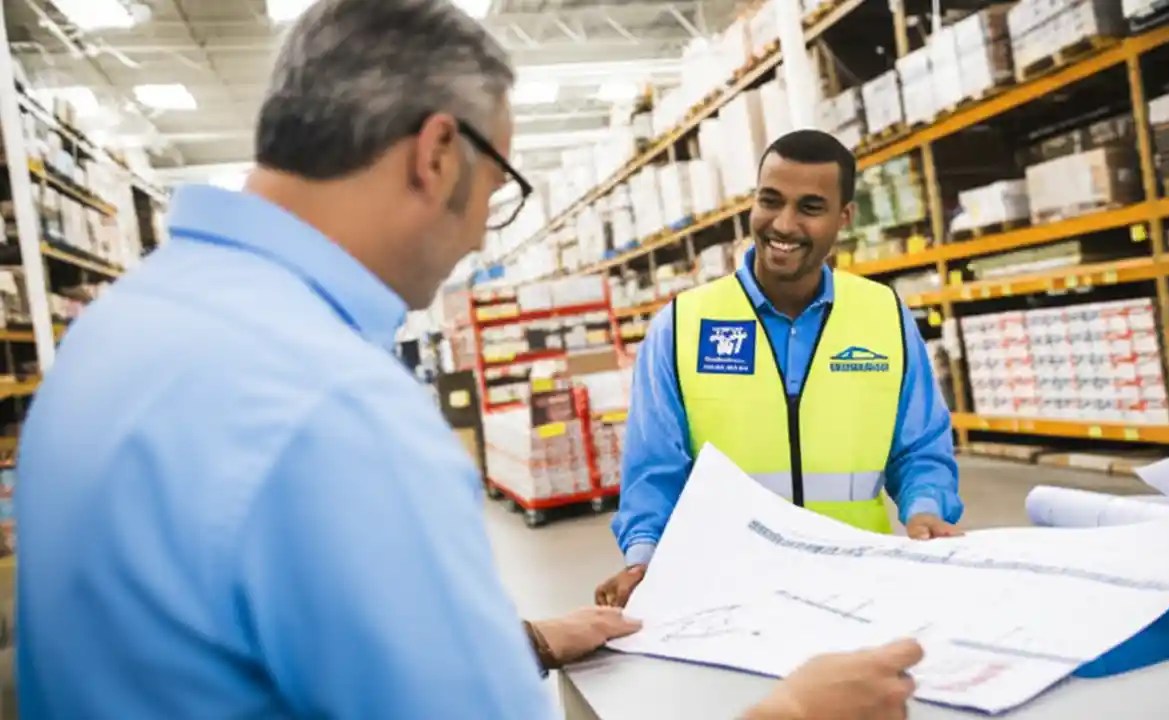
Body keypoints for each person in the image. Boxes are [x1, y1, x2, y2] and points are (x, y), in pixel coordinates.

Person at [15, 1, 921, 718]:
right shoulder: (337, 410)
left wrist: (514, 642)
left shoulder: (120, 327)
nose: (487, 223)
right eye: (501, 186)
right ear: (439, 154)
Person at [598, 130, 964, 608]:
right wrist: (643, 560)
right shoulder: (682, 325)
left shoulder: (884, 316)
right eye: (770, 201)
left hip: (858, 587)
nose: (783, 224)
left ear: (844, 217)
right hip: (727, 594)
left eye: (810, 208)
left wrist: (925, 510)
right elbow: (654, 472)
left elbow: (919, 449)